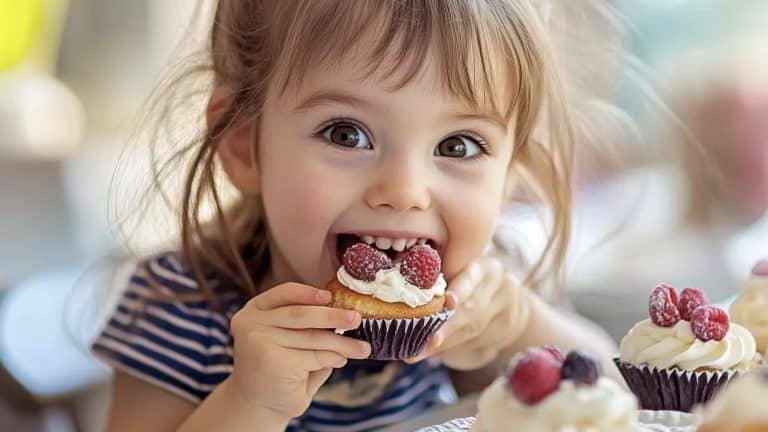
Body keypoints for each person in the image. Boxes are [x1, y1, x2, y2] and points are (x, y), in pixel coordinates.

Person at [93, 1, 626, 430]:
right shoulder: (179, 308)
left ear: (510, 174)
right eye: (346, 134)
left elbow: (618, 399)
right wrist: (251, 403)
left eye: (459, 145)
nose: (404, 192)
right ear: (242, 146)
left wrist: (520, 327)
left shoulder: (479, 295)